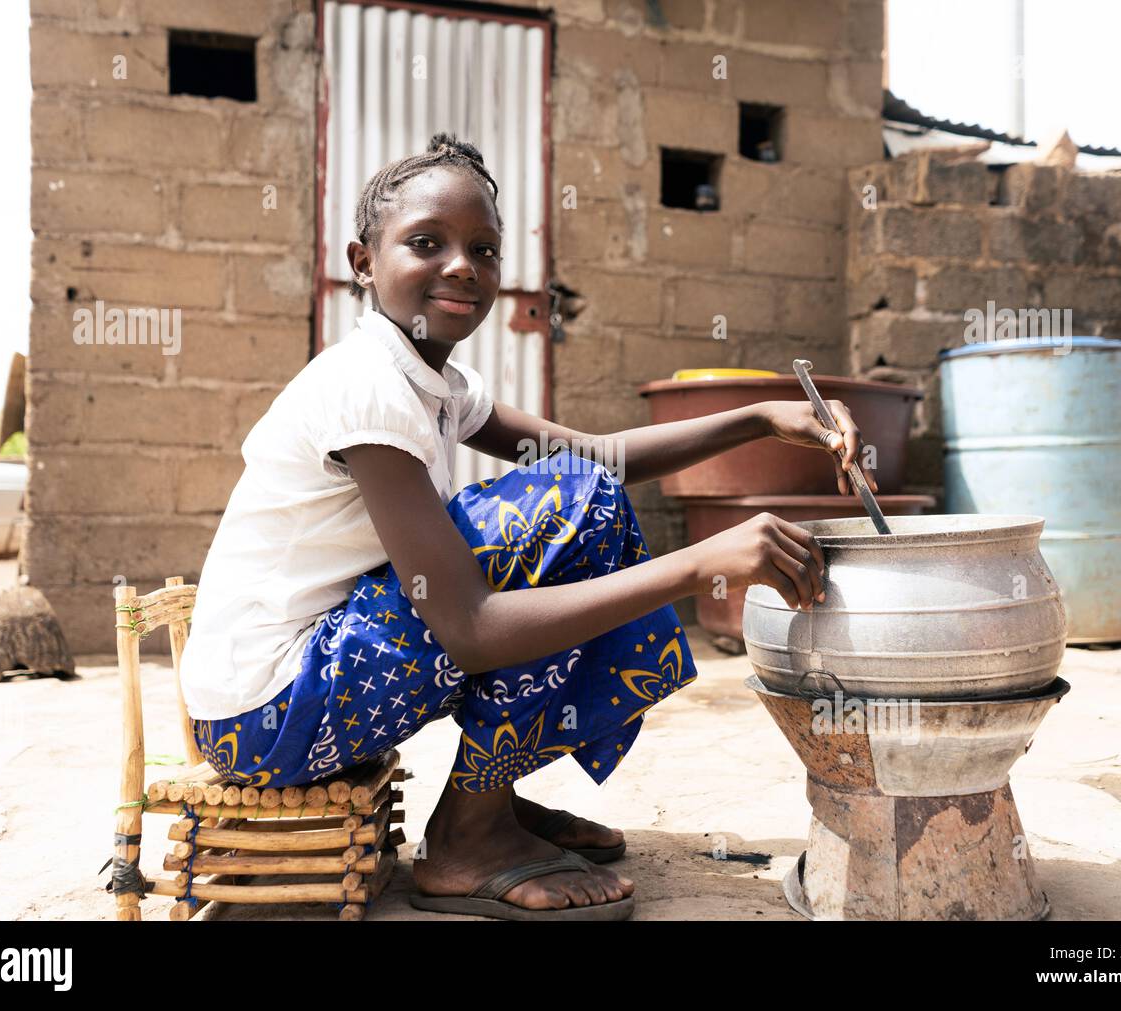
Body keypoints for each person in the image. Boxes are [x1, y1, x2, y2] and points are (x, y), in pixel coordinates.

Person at [180, 132, 875, 921]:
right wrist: (700, 563)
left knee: (587, 500)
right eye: (426, 243)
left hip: (302, 695)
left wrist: (757, 416)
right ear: (363, 261)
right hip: (264, 723)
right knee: (558, 518)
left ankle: (488, 804)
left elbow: (596, 458)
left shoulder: (434, 381)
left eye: (483, 248)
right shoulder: (366, 388)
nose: (461, 267)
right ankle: (469, 840)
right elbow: (470, 630)